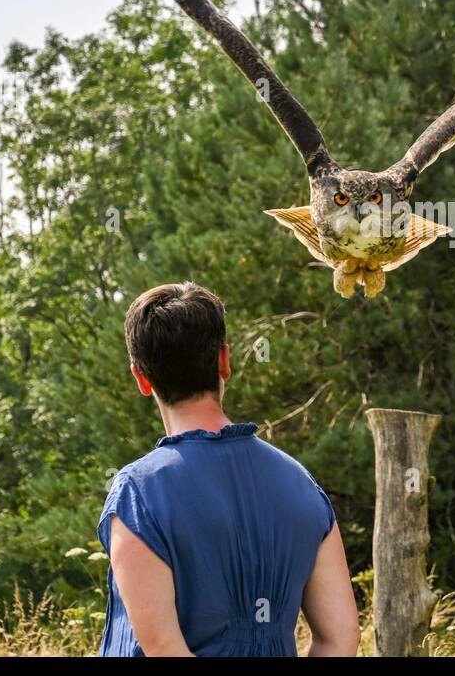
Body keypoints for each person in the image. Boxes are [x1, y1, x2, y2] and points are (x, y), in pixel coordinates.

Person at [97, 281, 359, 657]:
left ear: (140, 377)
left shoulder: (139, 494)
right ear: (224, 361)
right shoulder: (300, 483)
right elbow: (341, 637)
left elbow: (165, 650)